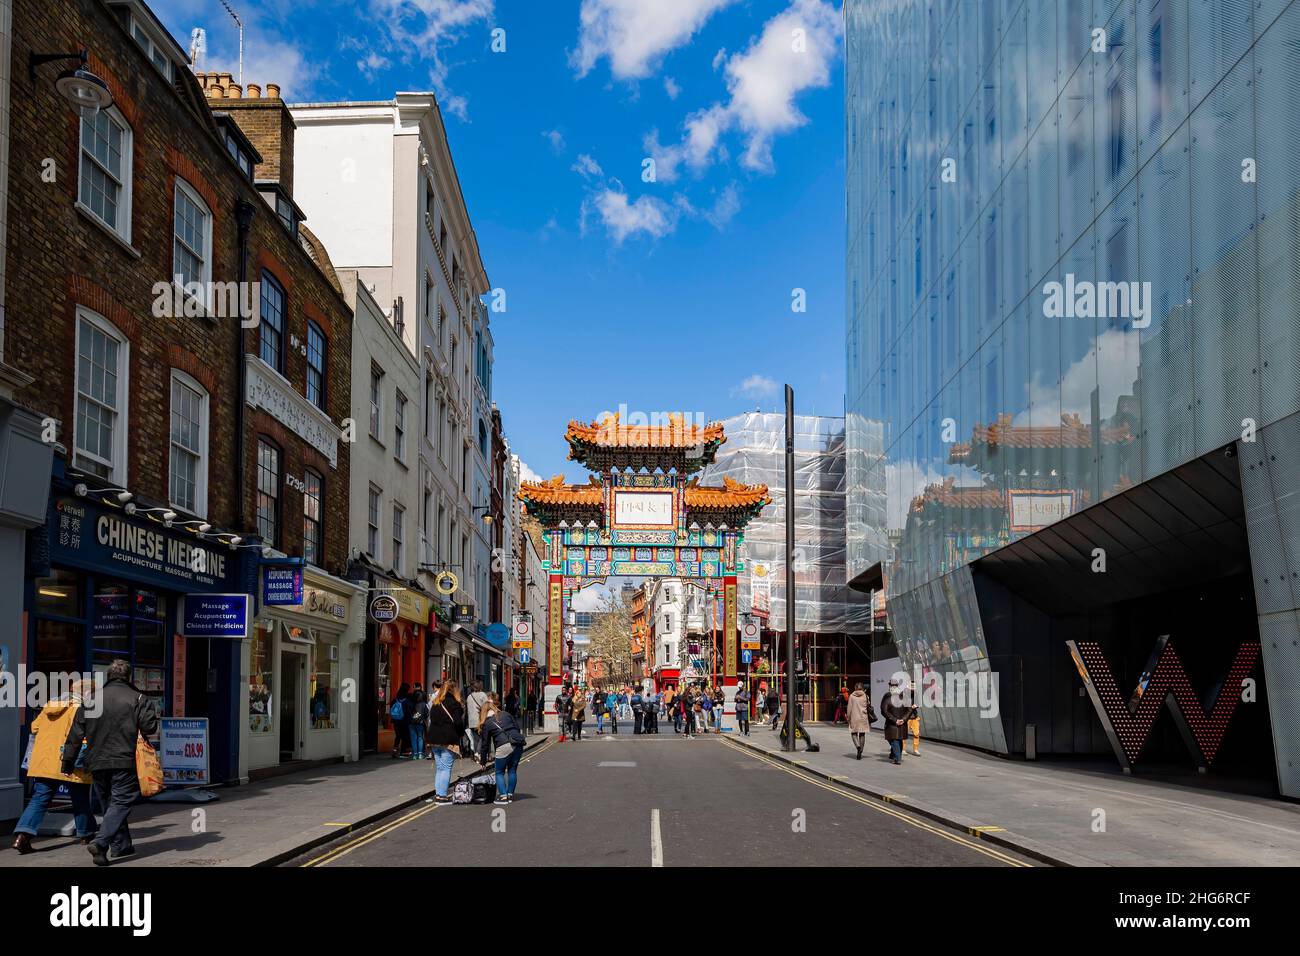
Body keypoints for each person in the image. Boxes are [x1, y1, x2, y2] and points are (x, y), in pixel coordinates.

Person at [61, 659, 158, 865]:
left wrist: (67, 762)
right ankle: (101, 842)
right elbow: (150, 728)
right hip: (125, 760)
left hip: (97, 761)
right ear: (129, 676)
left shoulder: (91, 700)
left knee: (110, 805)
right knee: (121, 802)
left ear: (109, 676)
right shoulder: (139, 698)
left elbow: (75, 734)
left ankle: (120, 846)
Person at [12, 680, 97, 854]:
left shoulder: (51, 705)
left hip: (45, 761)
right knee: (80, 798)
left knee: (40, 798)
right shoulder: (83, 709)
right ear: (88, 694)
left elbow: (34, 727)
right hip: (71, 762)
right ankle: (86, 834)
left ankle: (23, 836)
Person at [478, 697, 526, 804]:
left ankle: (503, 796)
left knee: (499, 772)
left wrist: (483, 761)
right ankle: (510, 794)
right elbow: (517, 728)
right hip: (518, 744)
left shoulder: (487, 722)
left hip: (503, 746)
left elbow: (485, 744)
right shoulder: (506, 714)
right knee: (512, 770)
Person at [427, 680, 467, 801]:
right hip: (448, 739)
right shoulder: (454, 703)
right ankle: (442, 796)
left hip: (434, 739)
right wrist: (461, 734)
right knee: (446, 768)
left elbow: (431, 720)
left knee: (440, 768)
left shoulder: (435, 703)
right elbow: (458, 722)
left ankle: (439, 794)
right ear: (455, 690)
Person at [880, 678, 910, 765]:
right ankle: (895, 754)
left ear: (890, 686)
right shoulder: (904, 696)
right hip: (902, 723)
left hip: (891, 723)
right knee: (898, 739)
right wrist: (903, 719)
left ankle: (897, 758)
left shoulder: (887, 696)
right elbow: (909, 710)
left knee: (894, 740)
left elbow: (884, 710)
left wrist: (895, 720)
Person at [846, 682, 877, 760]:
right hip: (863, 717)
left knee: (853, 733)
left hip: (854, 717)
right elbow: (868, 705)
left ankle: (858, 747)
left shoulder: (852, 696)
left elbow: (849, 709)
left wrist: (848, 718)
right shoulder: (865, 696)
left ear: (855, 688)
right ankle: (861, 751)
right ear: (862, 688)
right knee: (862, 734)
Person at [466, 681, 489, 754]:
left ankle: (476, 755)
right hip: (480, 720)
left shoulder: (469, 696)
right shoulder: (483, 695)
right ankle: (478, 753)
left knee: (475, 739)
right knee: (482, 738)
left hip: (471, 721)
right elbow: (486, 707)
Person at [389, 681, 411, 758]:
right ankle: (403, 751)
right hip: (404, 721)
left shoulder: (395, 700)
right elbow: (408, 712)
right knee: (405, 736)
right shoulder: (407, 701)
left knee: (398, 736)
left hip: (396, 721)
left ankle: (395, 751)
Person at [407, 686, 429, 759]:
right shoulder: (423, 704)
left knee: (413, 738)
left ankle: (415, 754)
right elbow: (427, 714)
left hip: (411, 723)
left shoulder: (410, 703)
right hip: (420, 723)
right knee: (420, 738)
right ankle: (420, 754)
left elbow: (407, 712)